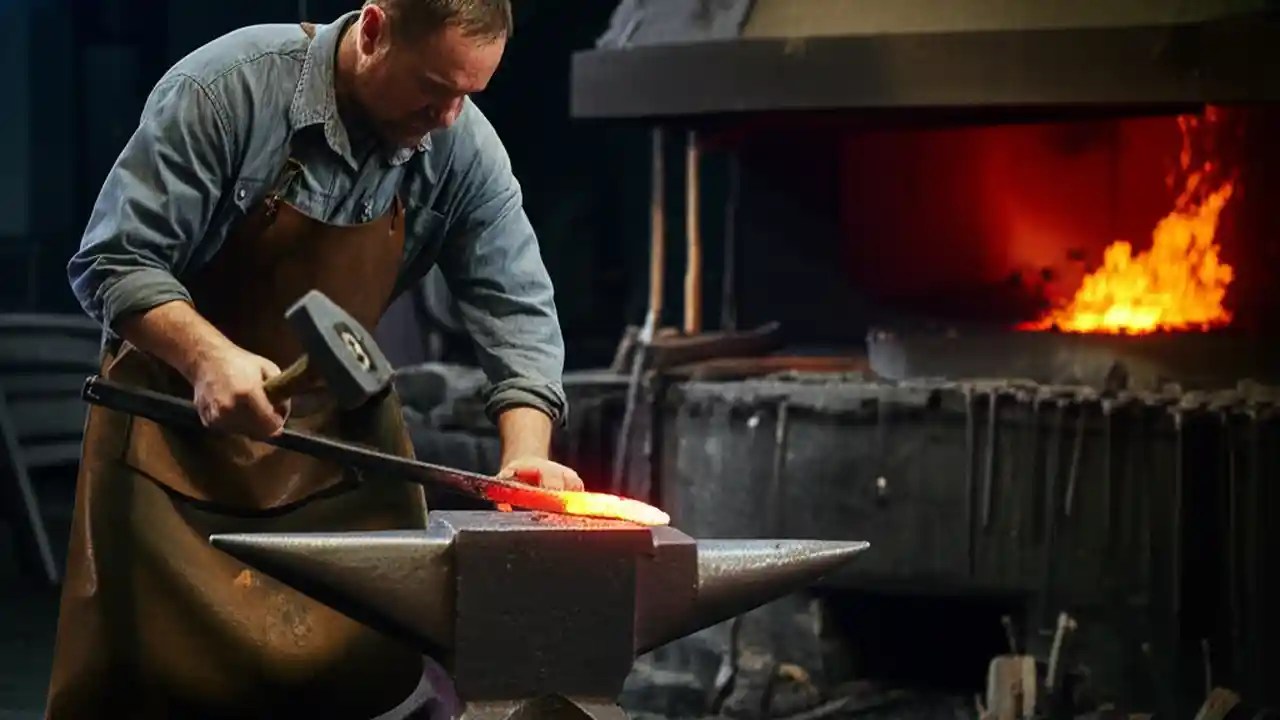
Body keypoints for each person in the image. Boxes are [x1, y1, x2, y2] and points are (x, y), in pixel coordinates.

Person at [47, 1, 582, 717]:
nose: (450, 115)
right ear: (372, 30)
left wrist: (526, 458)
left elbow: (515, 305)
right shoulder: (225, 91)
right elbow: (111, 260)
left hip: (335, 454)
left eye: (468, 93)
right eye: (434, 86)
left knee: (357, 684)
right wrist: (208, 357)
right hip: (168, 442)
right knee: (154, 688)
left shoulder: (459, 147)